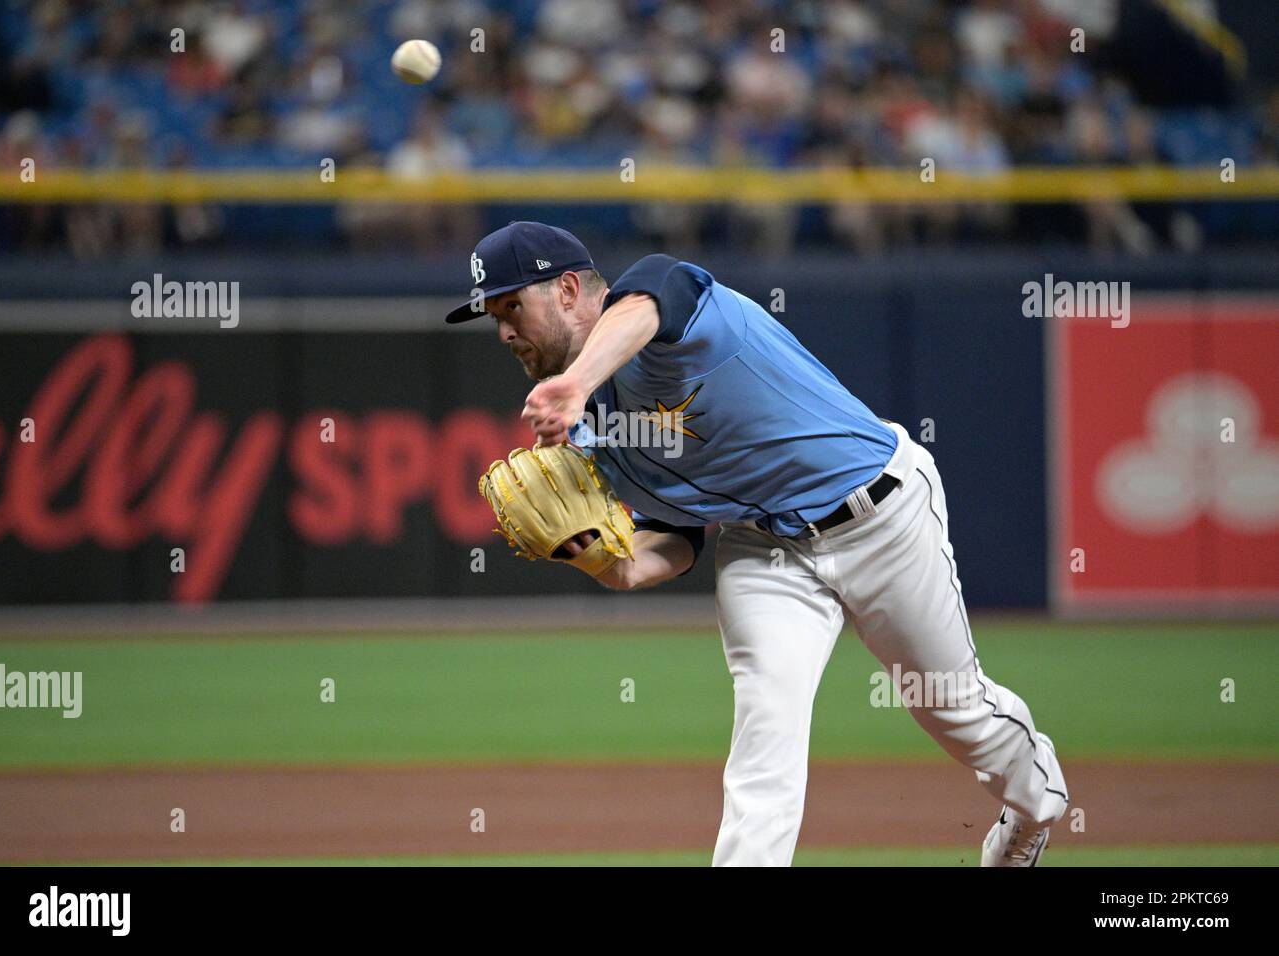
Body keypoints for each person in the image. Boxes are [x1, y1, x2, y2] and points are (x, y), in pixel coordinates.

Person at [446, 221, 1069, 867]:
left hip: (882, 514)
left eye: (512, 307)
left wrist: (574, 384)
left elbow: (650, 302)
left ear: (570, 289)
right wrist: (619, 568)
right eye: (494, 317)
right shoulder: (592, 428)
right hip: (766, 547)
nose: (505, 332)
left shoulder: (663, 304)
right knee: (765, 728)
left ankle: (1033, 807)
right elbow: (680, 533)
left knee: (949, 705)